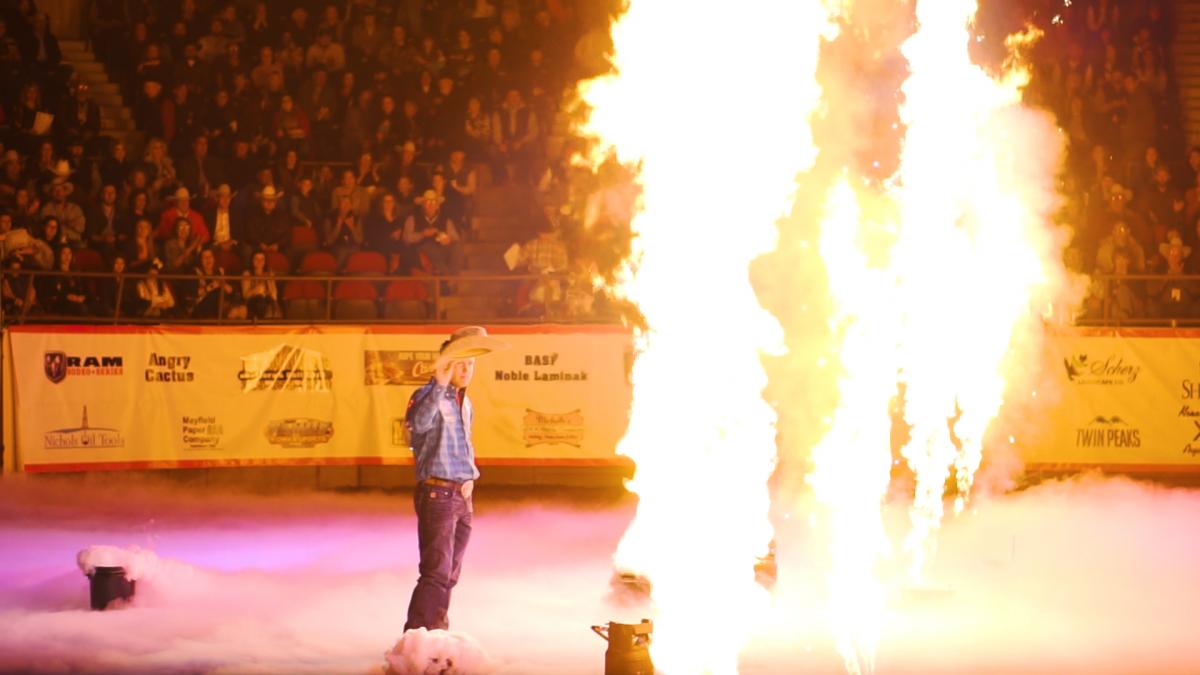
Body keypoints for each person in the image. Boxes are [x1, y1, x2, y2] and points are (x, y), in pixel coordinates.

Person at [403, 325, 507, 632]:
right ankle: (419, 639)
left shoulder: (466, 403)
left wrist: (468, 477)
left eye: (471, 363)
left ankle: (435, 633)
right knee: (436, 572)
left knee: (448, 574)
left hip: (460, 496)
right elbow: (418, 425)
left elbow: (464, 443)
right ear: (447, 362)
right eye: (461, 362)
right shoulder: (426, 395)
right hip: (437, 495)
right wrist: (439, 382)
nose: (466, 369)